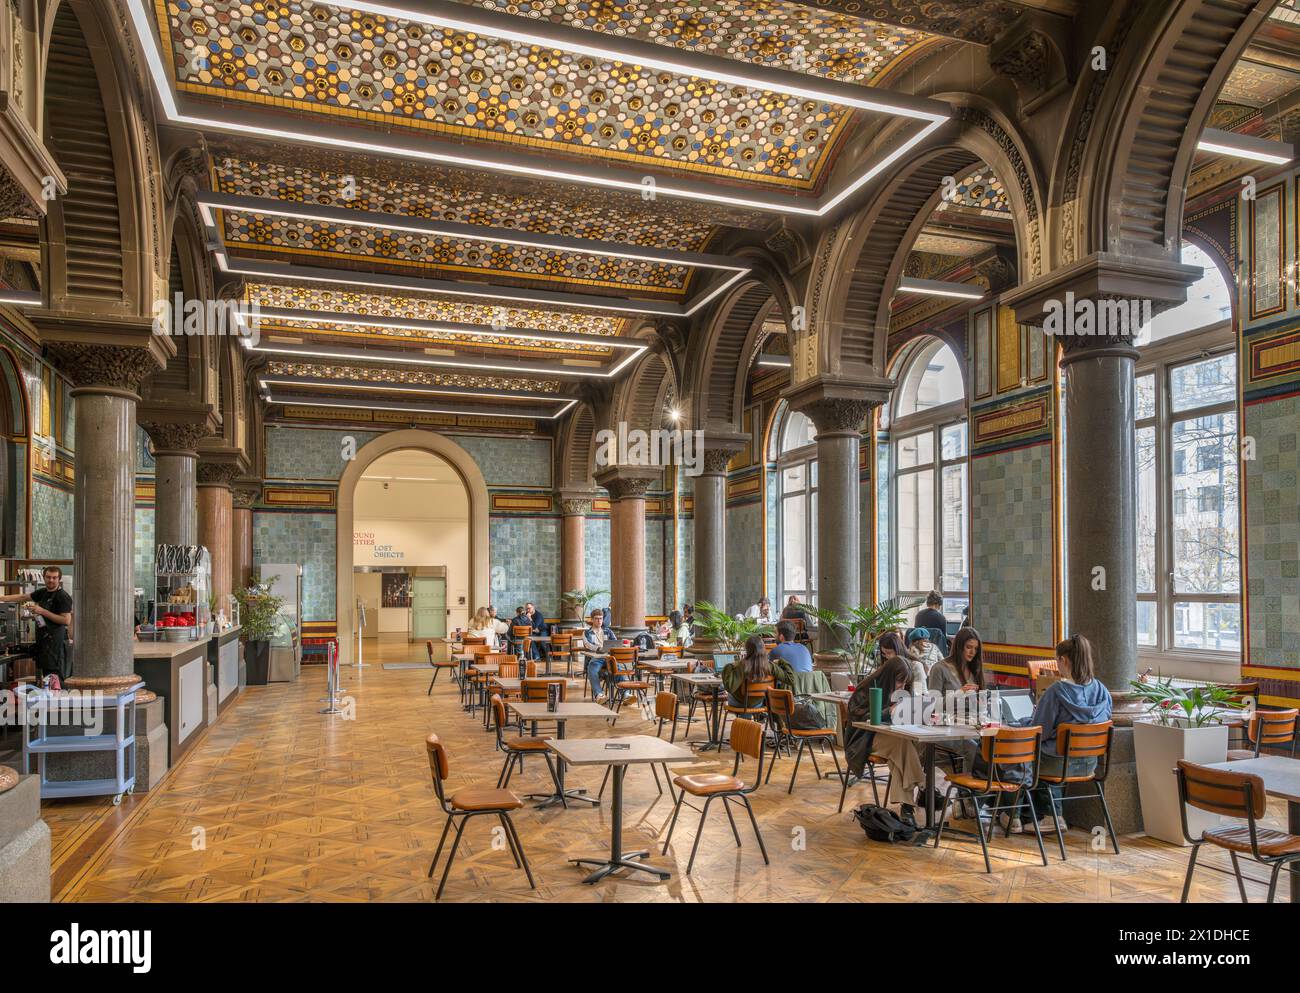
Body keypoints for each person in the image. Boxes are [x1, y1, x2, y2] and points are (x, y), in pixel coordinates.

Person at [1017, 634, 1112, 834]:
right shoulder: (1102, 690)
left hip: (1056, 764)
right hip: (1089, 764)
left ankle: (1025, 816)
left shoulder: (1056, 692)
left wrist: (1023, 723)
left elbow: (1039, 732)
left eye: (1057, 660)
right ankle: (1048, 815)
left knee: (1017, 756)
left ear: (1064, 660)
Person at [845, 656, 926, 822]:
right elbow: (860, 719)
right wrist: (889, 711)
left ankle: (907, 808)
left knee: (900, 754)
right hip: (863, 740)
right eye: (899, 682)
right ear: (889, 677)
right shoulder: (865, 689)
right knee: (902, 744)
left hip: (892, 739)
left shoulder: (902, 692)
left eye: (905, 684)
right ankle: (924, 787)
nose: (902, 687)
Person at [0, 566, 72, 680]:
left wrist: (42, 611)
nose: (51, 580)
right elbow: (23, 596)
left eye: (54, 578)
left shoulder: (62, 596)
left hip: (56, 646)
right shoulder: (43, 592)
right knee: (47, 679)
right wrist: (2, 597)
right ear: (44, 578)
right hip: (44, 643)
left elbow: (66, 620)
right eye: (48, 577)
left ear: (59, 579)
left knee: (56, 681)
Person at [720, 634, 793, 706]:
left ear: (747, 649)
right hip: (759, 703)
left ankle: (744, 717)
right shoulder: (770, 666)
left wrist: (731, 667)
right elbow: (791, 679)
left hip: (740, 703)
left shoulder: (742, 666)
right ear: (763, 648)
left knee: (729, 694)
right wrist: (781, 661)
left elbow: (729, 688)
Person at [928, 627, 984, 696]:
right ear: (959, 646)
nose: (973, 652)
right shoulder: (939, 668)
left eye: (976, 649)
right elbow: (934, 703)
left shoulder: (974, 669)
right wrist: (960, 692)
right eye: (969, 647)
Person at [581, 609, 609, 699]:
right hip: (595, 658)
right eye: (597, 619)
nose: (599, 621)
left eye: (601, 618)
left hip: (608, 657)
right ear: (592, 620)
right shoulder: (586, 633)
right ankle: (599, 695)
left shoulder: (608, 631)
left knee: (619, 666)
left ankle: (625, 694)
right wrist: (599, 648)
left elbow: (615, 642)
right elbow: (588, 645)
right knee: (592, 666)